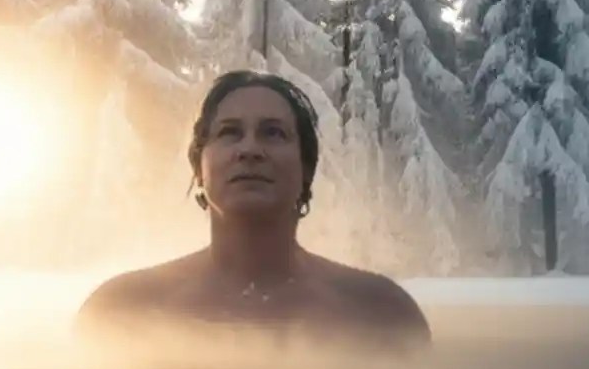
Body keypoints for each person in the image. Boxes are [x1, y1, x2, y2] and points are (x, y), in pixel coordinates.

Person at [73, 70, 431, 349]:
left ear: (306, 167)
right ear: (199, 167)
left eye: (273, 133)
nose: (250, 150)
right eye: (229, 133)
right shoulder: (120, 310)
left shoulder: (381, 313)